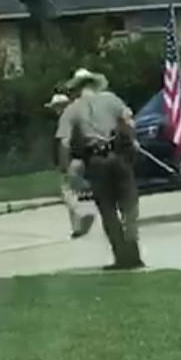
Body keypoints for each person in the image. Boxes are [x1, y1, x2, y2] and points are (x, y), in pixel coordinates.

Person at [56, 68, 144, 270]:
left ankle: (121, 256)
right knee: (129, 205)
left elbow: (64, 142)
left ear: (77, 88)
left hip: (96, 161)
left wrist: (65, 167)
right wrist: (132, 141)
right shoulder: (112, 99)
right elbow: (129, 123)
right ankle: (133, 252)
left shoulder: (72, 110)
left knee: (108, 210)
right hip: (118, 156)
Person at [45, 91, 96, 239]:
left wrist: (63, 164)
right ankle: (78, 225)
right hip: (80, 160)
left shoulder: (65, 121)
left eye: (56, 107)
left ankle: (78, 226)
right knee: (74, 192)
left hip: (71, 161)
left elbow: (64, 144)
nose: (55, 110)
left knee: (68, 194)